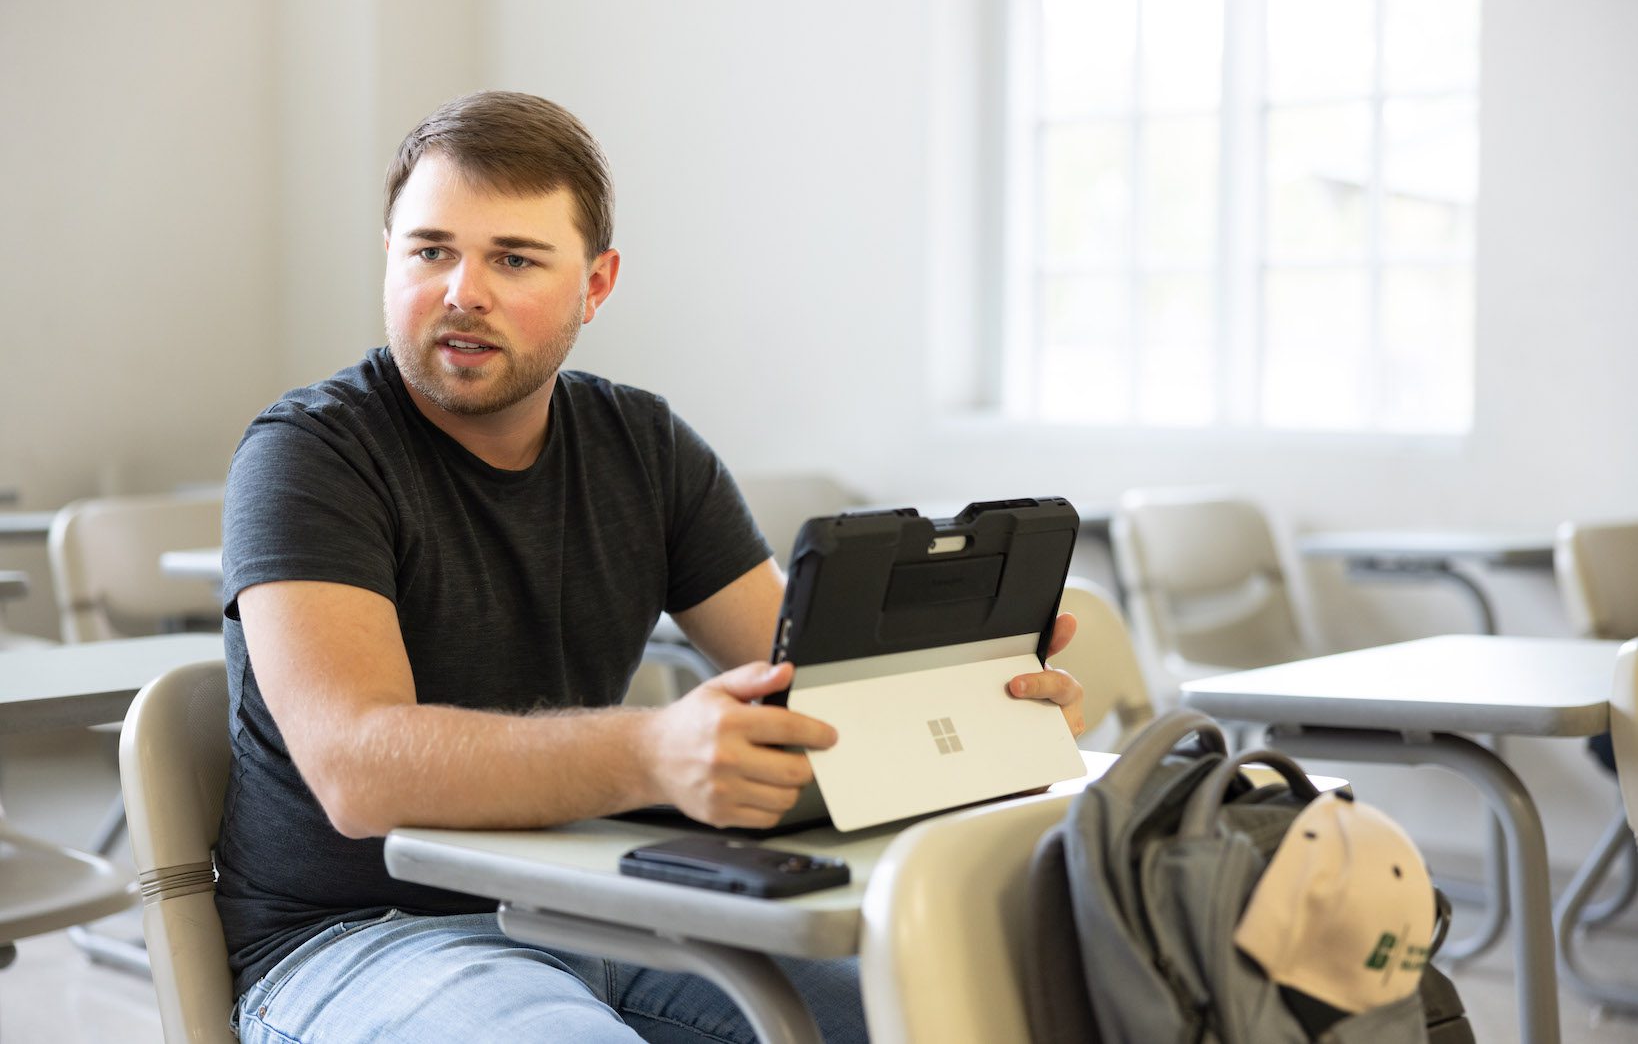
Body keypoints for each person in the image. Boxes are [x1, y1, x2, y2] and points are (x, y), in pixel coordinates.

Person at [215, 90, 1087, 1043]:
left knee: (976, 1012)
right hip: (361, 937)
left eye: (514, 258)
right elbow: (358, 769)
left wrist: (972, 707)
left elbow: (805, 689)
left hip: (593, 901)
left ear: (596, 285)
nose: (463, 290)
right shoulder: (308, 453)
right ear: (390, 256)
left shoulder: (645, 446)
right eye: (431, 251)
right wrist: (653, 753)